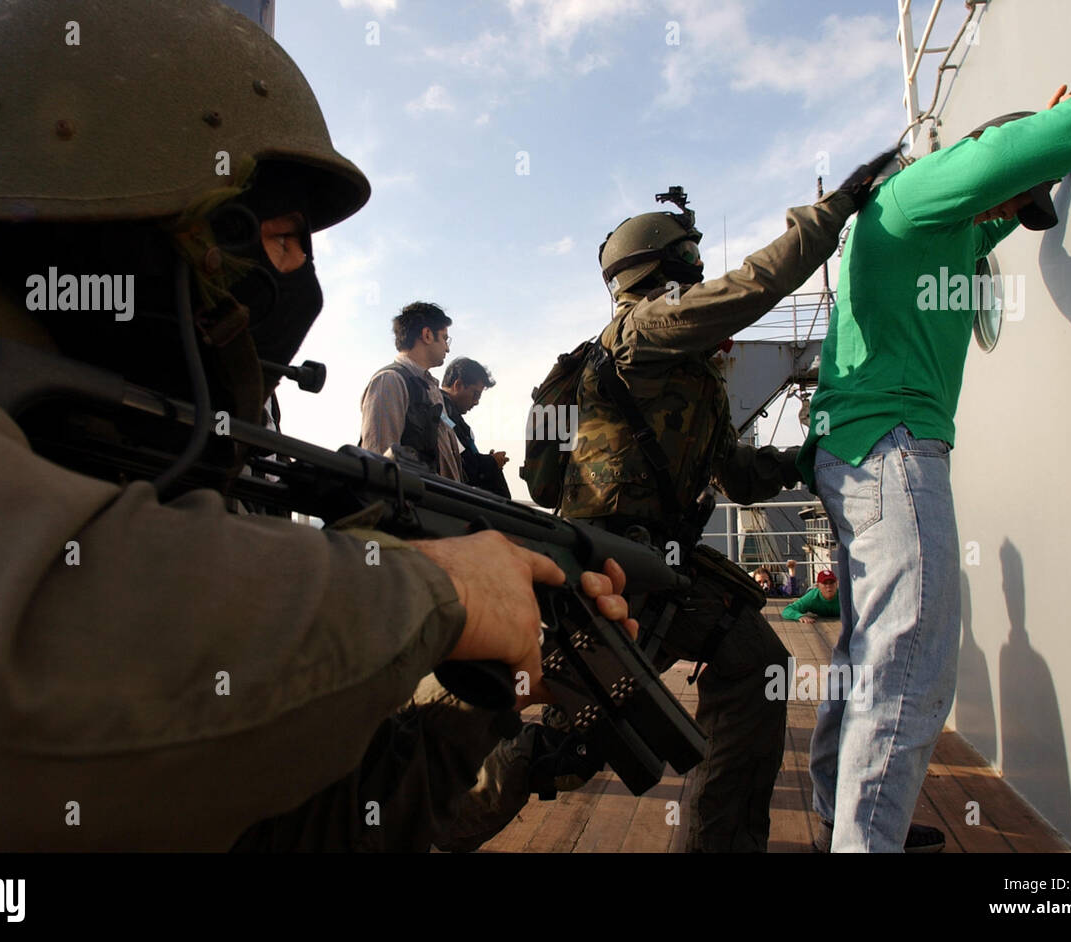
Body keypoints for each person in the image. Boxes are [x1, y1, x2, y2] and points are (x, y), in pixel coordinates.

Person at [0, 0, 634, 851]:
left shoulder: (123, 447)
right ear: (138, 230)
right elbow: (11, 673)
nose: (300, 278)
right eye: (281, 236)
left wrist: (490, 685)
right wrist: (435, 592)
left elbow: (281, 823)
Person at [438, 154, 896, 854]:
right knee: (576, 738)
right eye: (690, 264)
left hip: (655, 567)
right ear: (661, 271)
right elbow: (755, 287)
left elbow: (737, 476)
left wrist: (811, 456)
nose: (700, 278)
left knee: (754, 668)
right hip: (608, 566)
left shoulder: (690, 376)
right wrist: (832, 212)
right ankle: (428, 826)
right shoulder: (639, 334)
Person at [796, 69, 1071, 853]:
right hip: (893, 448)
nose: (1002, 214)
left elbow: (1000, 217)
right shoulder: (923, 190)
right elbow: (1032, 148)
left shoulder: (920, 226)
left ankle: (839, 810)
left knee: (868, 652)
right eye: (1002, 192)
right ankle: (866, 843)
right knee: (911, 665)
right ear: (969, 165)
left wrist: (1042, 165)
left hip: (856, 452)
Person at [359, 301, 464, 481]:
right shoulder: (390, 381)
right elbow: (378, 462)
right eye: (445, 338)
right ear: (427, 335)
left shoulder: (433, 390)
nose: (447, 348)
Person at [440, 356, 511, 498]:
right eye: (475, 394)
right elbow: (462, 462)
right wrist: (492, 462)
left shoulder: (452, 416)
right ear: (458, 385)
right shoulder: (441, 412)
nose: (476, 401)